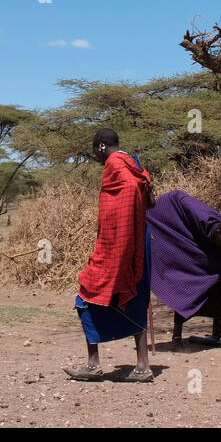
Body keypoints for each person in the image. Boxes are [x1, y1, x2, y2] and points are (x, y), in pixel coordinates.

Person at [65, 129, 156, 382]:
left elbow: (127, 194)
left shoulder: (115, 165)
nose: (94, 155)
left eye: (95, 150)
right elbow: (151, 203)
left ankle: (93, 364)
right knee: (136, 299)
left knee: (85, 296)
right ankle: (142, 367)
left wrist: (118, 244)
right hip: (140, 243)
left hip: (121, 244)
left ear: (102, 146)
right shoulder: (135, 163)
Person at [146, 189, 221, 348]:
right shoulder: (200, 216)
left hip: (207, 260)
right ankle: (177, 335)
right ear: (217, 232)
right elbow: (176, 197)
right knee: (184, 280)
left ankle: (218, 332)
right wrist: (148, 215)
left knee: (217, 278)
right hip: (189, 246)